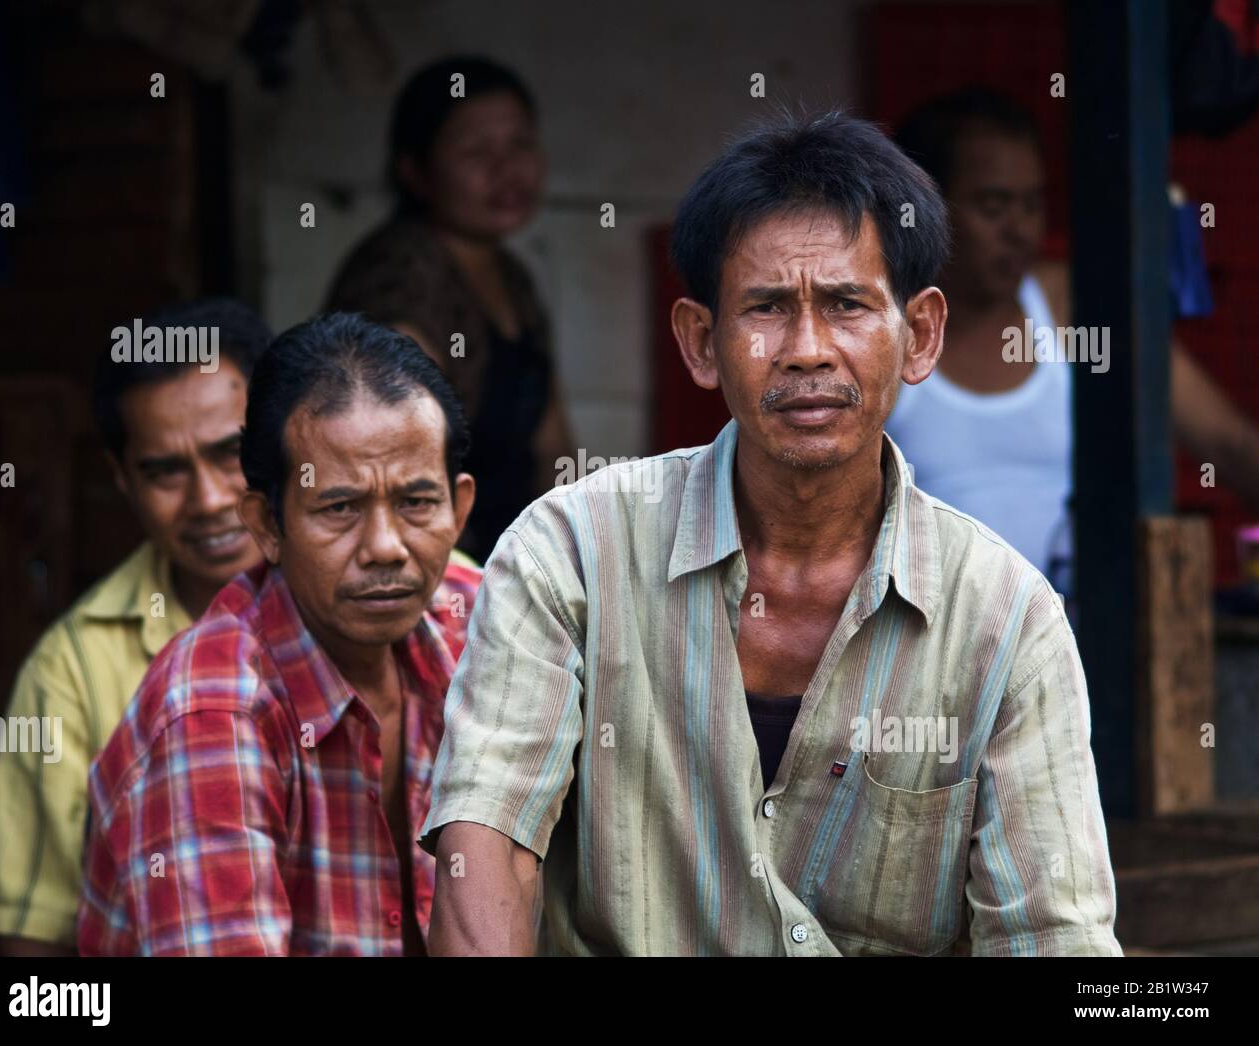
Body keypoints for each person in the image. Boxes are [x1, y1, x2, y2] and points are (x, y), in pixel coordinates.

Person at [420, 111, 1122, 957]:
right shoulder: (567, 553)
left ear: (920, 335)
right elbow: (486, 845)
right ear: (701, 342)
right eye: (765, 308)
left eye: (846, 304)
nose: (806, 349)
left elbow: (1053, 936)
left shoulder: (1008, 623)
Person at [77, 313, 480, 956]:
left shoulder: (479, 623)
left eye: (416, 503)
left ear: (459, 510)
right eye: (339, 507)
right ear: (266, 525)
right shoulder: (210, 712)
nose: (385, 547)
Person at [0, 298, 271, 956]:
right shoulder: (70, 669)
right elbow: (27, 947)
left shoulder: (406, 590)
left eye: (233, 455)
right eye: (165, 471)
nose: (211, 500)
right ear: (121, 480)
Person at [887, 87, 1259, 584]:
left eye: (1032, 204)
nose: (1020, 231)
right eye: (993, 206)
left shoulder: (1067, 310)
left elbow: (1227, 445)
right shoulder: (882, 333)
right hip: (935, 651)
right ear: (927, 208)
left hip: (1076, 647)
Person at [327, 55, 573, 562]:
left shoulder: (512, 275)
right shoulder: (397, 273)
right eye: (475, 150)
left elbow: (552, 444)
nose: (506, 169)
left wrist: (572, 554)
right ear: (415, 172)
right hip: (431, 565)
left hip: (512, 566)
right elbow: (401, 456)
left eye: (520, 143)